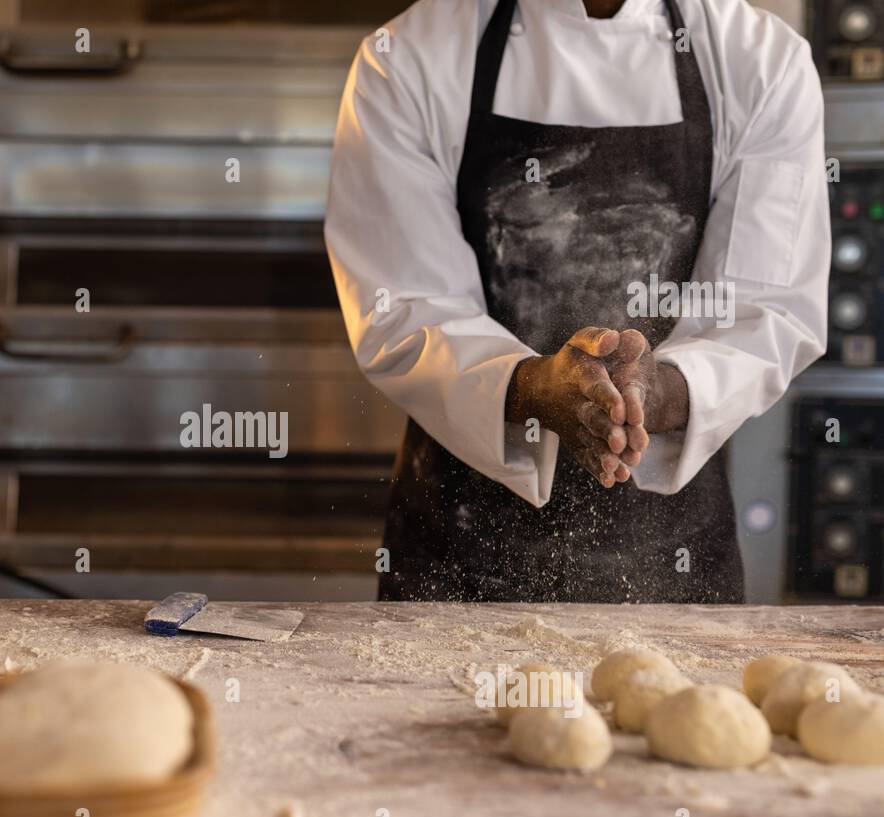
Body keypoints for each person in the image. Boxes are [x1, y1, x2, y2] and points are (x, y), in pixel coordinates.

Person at [325, 0, 830, 602]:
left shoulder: (761, 62)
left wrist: (658, 390)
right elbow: (403, 304)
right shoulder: (408, 58)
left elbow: (764, 306)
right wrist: (534, 388)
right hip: (457, 565)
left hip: (670, 565)